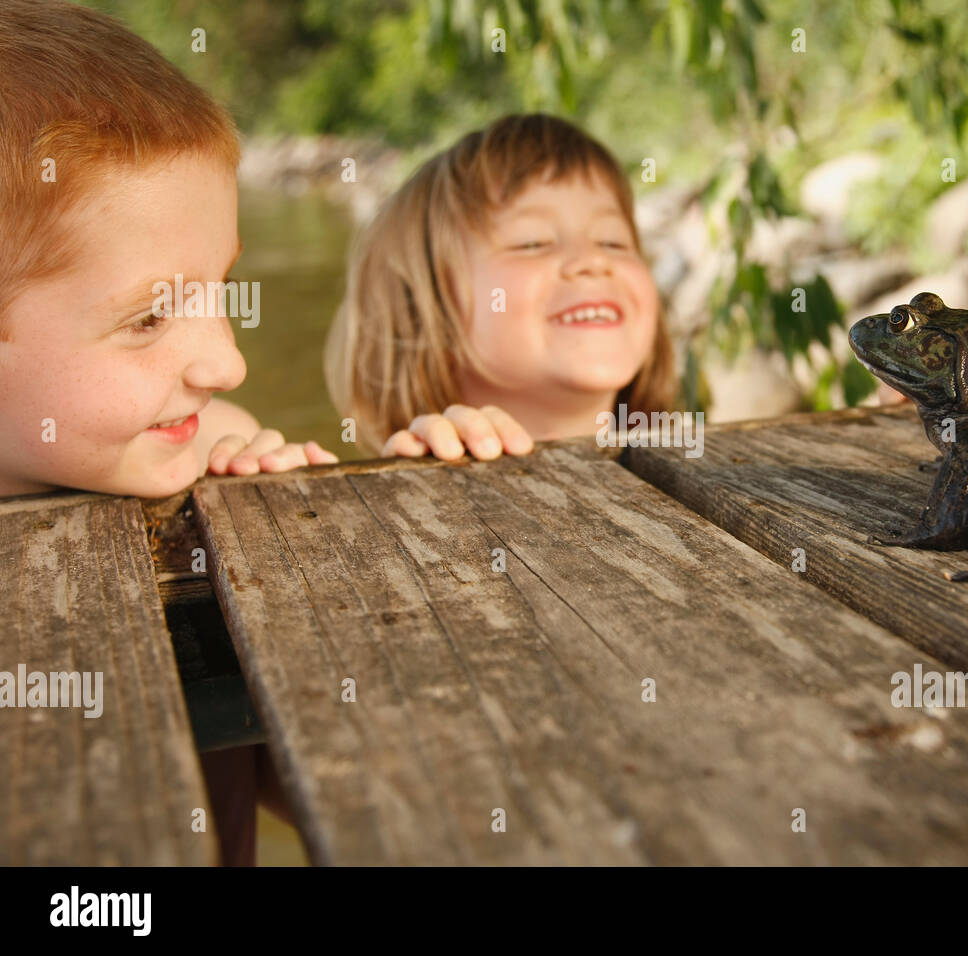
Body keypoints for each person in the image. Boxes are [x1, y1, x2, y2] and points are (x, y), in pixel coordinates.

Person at [0, 0, 338, 864]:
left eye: (219, 288)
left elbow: (306, 788)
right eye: (151, 318)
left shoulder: (211, 440)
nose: (226, 365)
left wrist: (267, 499)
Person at [325, 113, 678, 461]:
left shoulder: (687, 458)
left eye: (613, 241)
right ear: (423, 312)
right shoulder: (421, 471)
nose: (593, 260)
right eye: (533, 242)